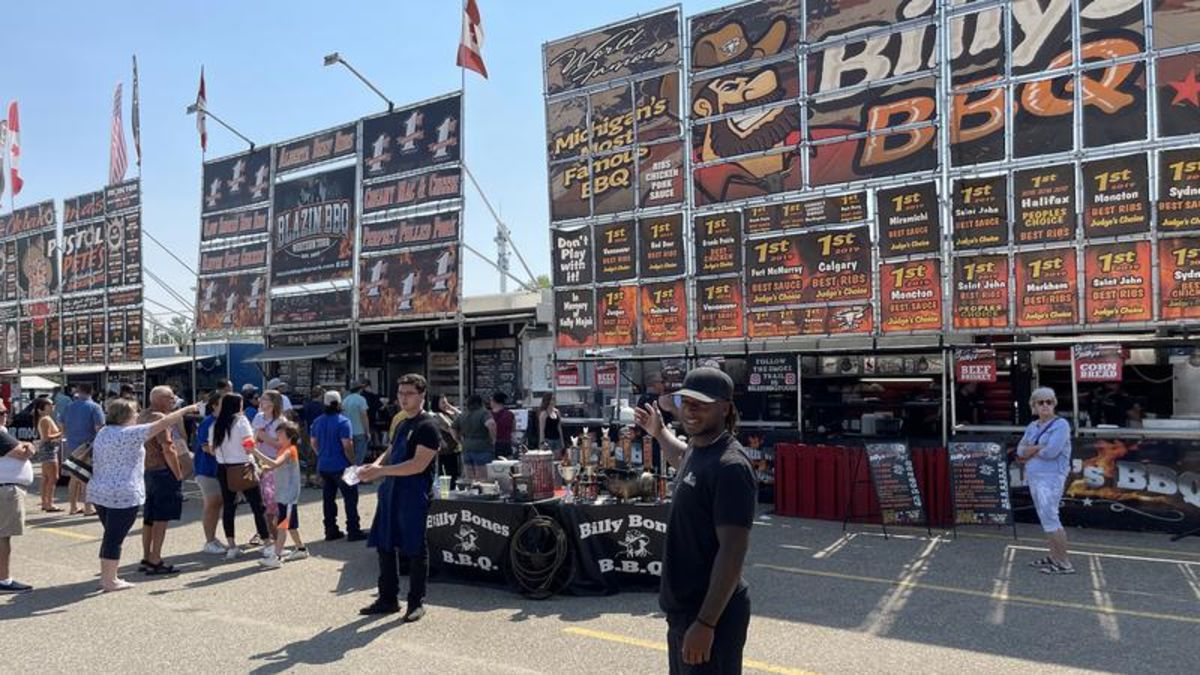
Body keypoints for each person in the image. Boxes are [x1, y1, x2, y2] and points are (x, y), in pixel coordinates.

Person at [634, 367, 756, 674]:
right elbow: (683, 460)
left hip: (711, 614)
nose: (690, 410)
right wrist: (659, 432)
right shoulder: (700, 449)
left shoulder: (730, 466)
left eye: (701, 403)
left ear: (725, 408)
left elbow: (733, 552)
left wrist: (705, 623)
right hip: (685, 612)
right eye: (685, 401)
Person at [88, 398, 200, 592]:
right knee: (114, 539)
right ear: (127, 416)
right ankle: (109, 580)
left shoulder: (104, 432)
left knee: (111, 535)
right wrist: (187, 409)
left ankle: (109, 576)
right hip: (122, 493)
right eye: (134, 413)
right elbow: (163, 423)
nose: (137, 416)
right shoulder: (130, 433)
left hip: (100, 490)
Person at [359, 374, 439, 620]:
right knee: (384, 545)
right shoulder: (403, 423)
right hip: (391, 491)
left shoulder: (428, 427)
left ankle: (416, 602)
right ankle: (387, 598)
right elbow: (391, 451)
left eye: (409, 393)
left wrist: (380, 471)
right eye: (401, 393)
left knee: (415, 548)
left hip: (413, 494)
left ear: (422, 395)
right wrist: (371, 466)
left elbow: (417, 464)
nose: (403, 398)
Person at [1017, 386, 1075, 575]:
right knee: (1046, 518)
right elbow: (1019, 450)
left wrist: (1031, 449)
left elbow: (1052, 452)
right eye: (1040, 402)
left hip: (1051, 478)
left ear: (1054, 404)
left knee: (1051, 518)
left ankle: (1064, 562)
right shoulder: (1032, 426)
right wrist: (1038, 447)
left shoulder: (1061, 425)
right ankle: (1054, 556)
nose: (1045, 406)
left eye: (1049, 402)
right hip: (1035, 477)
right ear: (1033, 405)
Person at [210, 393, 272, 560]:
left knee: (229, 506)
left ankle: (232, 546)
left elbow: (212, 448)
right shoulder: (241, 421)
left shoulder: (216, 424)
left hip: (223, 468)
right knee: (258, 506)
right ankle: (267, 543)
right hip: (243, 466)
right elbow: (248, 445)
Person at [138, 386, 188, 574]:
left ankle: (146, 555)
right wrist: (178, 473)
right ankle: (155, 558)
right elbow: (168, 447)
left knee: (149, 516)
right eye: (170, 398)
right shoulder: (160, 418)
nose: (173, 401)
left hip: (148, 470)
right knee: (161, 517)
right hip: (162, 470)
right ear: (159, 399)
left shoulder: (142, 415)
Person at [247, 421, 309, 568]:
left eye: (280, 433)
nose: (277, 436)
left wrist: (255, 452)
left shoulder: (289, 450)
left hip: (288, 495)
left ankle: (277, 556)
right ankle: (301, 549)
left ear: (290, 436)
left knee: (282, 526)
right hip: (284, 495)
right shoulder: (284, 449)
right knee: (290, 525)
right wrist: (267, 467)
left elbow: (276, 464)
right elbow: (277, 466)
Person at [311, 390, 364, 542]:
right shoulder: (343, 421)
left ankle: (330, 529)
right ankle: (353, 530)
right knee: (351, 498)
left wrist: (321, 454)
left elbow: (314, 442)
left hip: (324, 466)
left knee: (328, 499)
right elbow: (347, 445)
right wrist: (353, 462)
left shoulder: (318, 421)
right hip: (342, 466)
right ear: (339, 404)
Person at [0, 414, 37, 593]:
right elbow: (23, 453)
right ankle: (3, 580)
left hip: (6, 488)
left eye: (5, 411)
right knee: (3, 537)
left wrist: (24, 444)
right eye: (0, 413)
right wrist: (28, 446)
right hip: (6, 490)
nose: (5, 415)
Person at [252, 390, 287, 549]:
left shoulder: (280, 421)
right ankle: (266, 533)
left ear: (273, 402)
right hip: (259, 462)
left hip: (276, 463)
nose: (261, 400)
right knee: (263, 501)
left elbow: (282, 444)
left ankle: (279, 535)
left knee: (275, 501)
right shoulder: (258, 417)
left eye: (265, 399)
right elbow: (252, 438)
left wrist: (265, 437)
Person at [64, 384, 102, 518]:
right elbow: (99, 428)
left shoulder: (69, 406)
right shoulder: (95, 407)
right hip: (88, 446)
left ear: (79, 391)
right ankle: (87, 508)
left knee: (74, 477)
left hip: (72, 444)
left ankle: (73, 506)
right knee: (87, 477)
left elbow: (62, 424)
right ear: (91, 392)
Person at [194, 391, 226, 555]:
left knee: (219, 503)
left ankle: (213, 538)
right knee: (212, 503)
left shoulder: (228, 421)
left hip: (222, 469)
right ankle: (209, 541)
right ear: (214, 406)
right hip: (207, 469)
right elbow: (206, 447)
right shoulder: (209, 423)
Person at [637, 372, 675, 471]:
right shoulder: (659, 399)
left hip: (646, 441)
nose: (664, 385)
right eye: (662, 382)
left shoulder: (642, 398)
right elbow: (675, 410)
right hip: (658, 442)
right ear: (654, 384)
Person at [32, 398, 64, 513]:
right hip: (49, 450)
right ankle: (49, 503)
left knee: (46, 478)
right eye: (49, 405)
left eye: (52, 404)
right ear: (41, 409)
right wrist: (61, 432)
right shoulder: (45, 419)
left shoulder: (46, 418)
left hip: (48, 449)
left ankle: (45, 502)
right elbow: (46, 437)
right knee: (53, 478)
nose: (52, 406)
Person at [452, 395, 493, 482]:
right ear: (480, 403)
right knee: (483, 478)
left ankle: (470, 493)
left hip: (466, 447)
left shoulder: (463, 415)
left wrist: (458, 440)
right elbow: (491, 424)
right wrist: (493, 438)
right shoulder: (484, 413)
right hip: (483, 447)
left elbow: (452, 428)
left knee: (469, 478)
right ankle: (482, 494)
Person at [343, 379, 371, 465]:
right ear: (360, 389)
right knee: (360, 455)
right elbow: (364, 416)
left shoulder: (345, 400)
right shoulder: (361, 399)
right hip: (360, 432)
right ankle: (356, 473)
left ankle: (350, 473)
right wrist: (367, 432)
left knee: (350, 455)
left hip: (348, 432)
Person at [537, 393, 566, 457]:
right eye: (552, 399)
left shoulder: (557, 412)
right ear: (548, 400)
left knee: (558, 458)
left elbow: (559, 427)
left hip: (557, 439)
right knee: (550, 458)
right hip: (548, 440)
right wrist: (541, 443)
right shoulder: (544, 414)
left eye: (554, 399)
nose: (553, 401)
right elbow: (542, 430)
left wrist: (562, 442)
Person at [489, 392, 515, 458]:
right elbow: (513, 429)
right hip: (506, 443)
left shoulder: (488, 415)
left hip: (492, 445)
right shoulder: (510, 414)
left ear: (494, 401)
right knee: (508, 465)